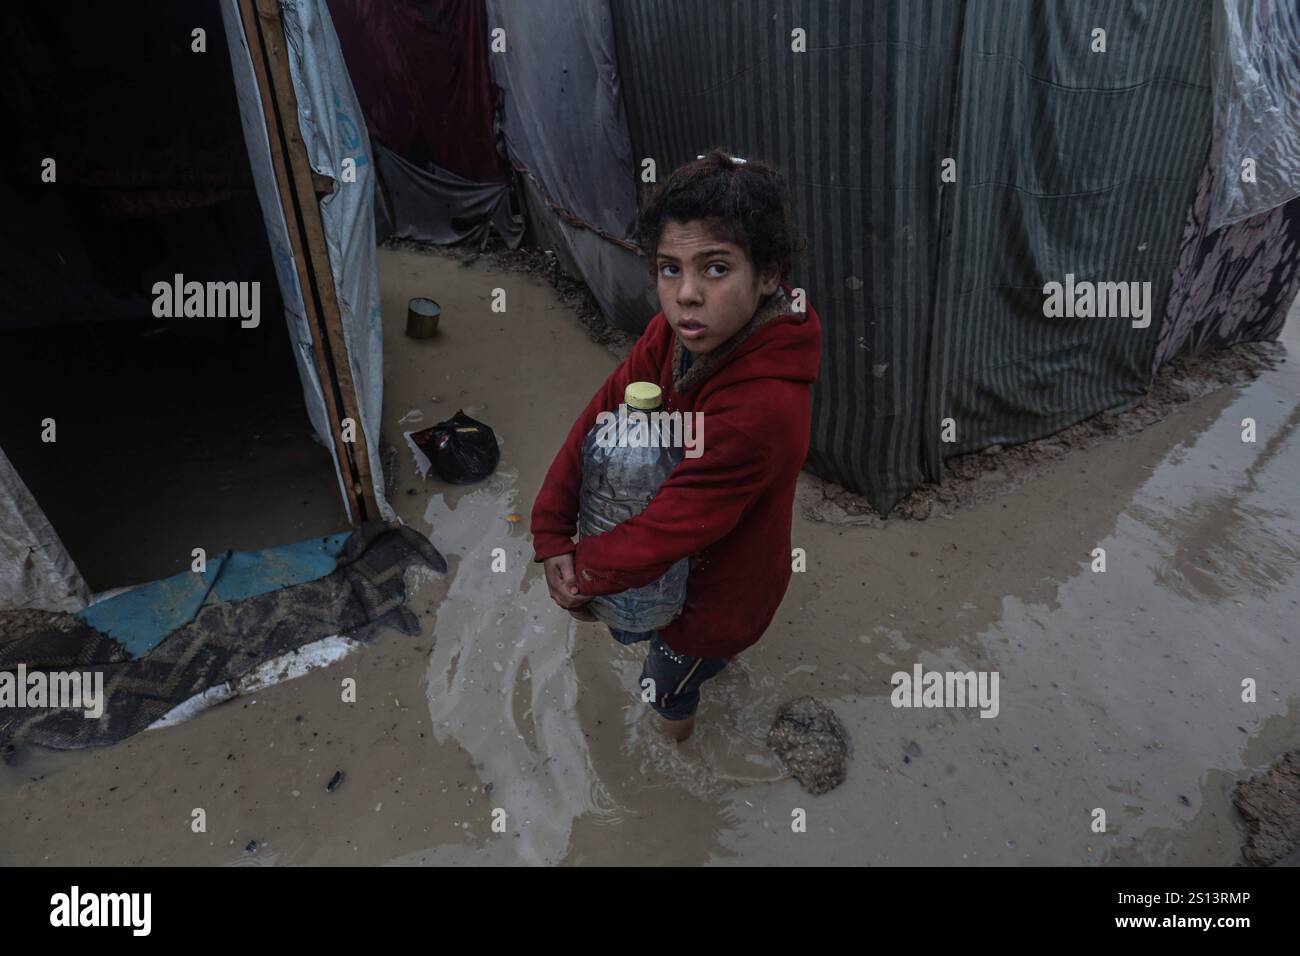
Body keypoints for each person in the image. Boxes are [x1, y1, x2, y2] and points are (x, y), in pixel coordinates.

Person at [530, 148, 822, 742]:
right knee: (683, 661)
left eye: (715, 268)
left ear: (768, 274)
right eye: (669, 268)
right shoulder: (675, 335)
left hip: (716, 601)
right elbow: (601, 417)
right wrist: (550, 527)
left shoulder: (761, 410)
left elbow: (670, 528)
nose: (686, 294)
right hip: (676, 570)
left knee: (664, 688)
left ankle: (677, 762)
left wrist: (582, 575)